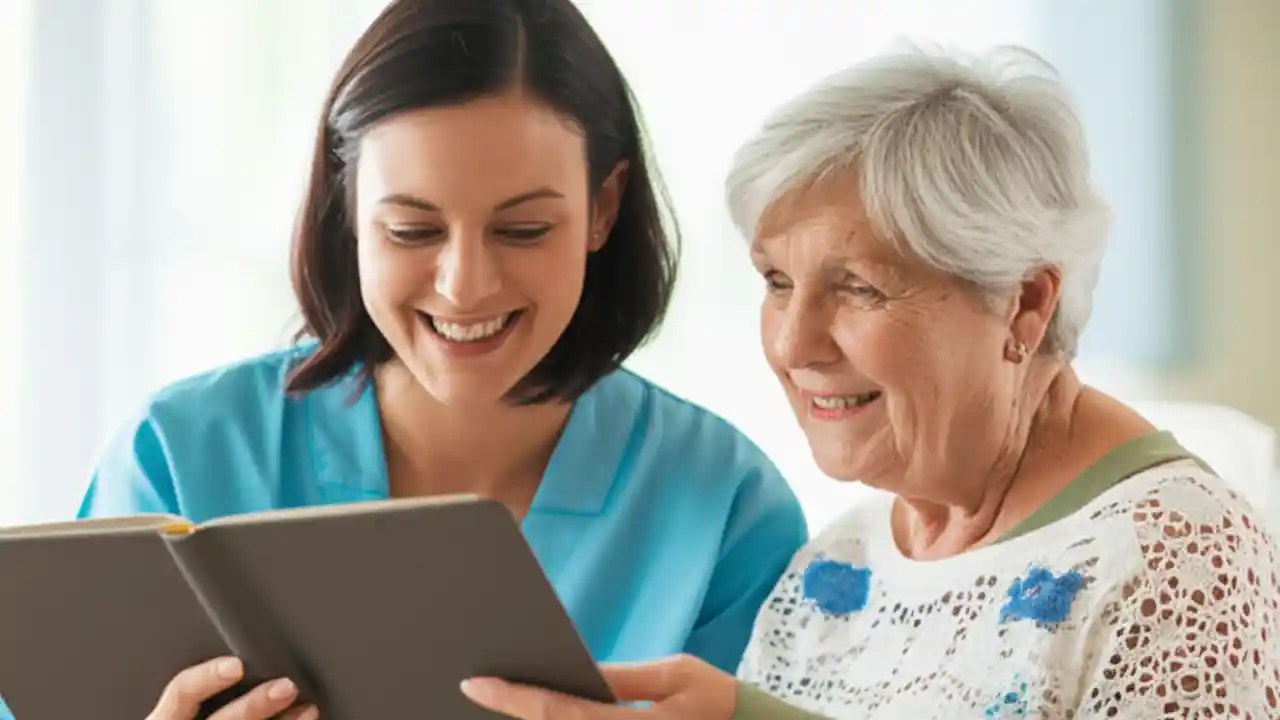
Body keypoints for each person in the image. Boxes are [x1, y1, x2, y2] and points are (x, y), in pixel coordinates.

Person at [0, 1, 810, 719]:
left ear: (603, 207)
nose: (465, 287)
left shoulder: (727, 511)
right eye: (411, 231)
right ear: (347, 210)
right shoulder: (177, 455)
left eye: (523, 230)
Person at [459, 44, 1280, 719]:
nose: (792, 341)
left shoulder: (1178, 553)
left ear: (1025, 304)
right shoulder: (841, 562)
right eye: (777, 282)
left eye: (858, 287)